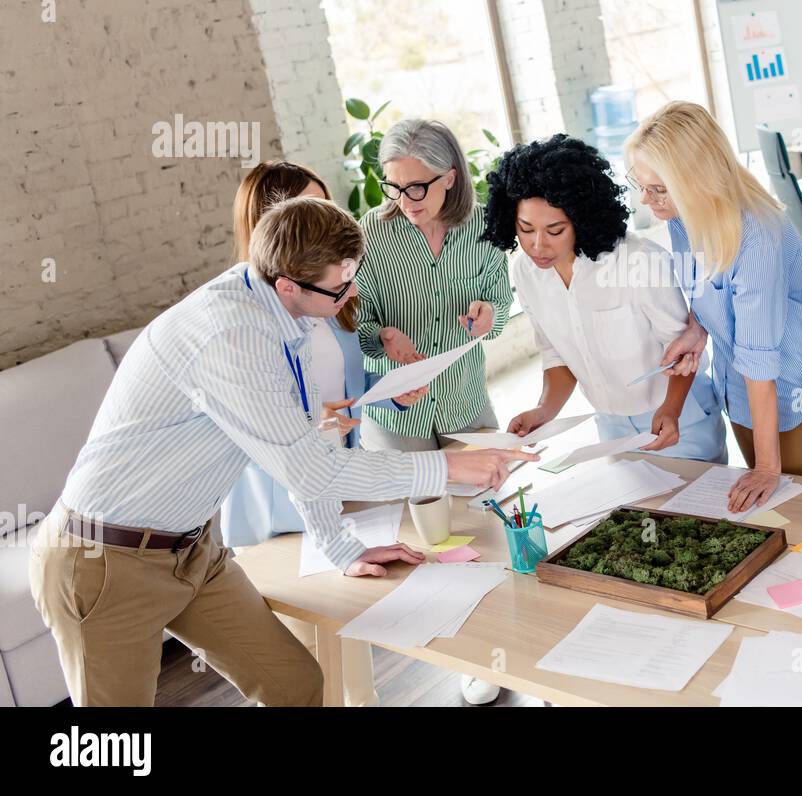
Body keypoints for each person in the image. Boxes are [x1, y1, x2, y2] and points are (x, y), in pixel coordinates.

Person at [29, 196, 532, 706]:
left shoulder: (280, 312)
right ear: (289, 285)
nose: (352, 293)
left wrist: (341, 547)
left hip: (193, 550)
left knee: (295, 686)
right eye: (340, 287)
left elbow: (307, 441)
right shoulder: (232, 336)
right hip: (104, 562)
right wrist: (445, 466)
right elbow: (314, 471)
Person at [220, 161, 427, 707]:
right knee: (307, 661)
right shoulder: (249, 321)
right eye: (303, 214)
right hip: (278, 509)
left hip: (336, 488)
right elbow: (265, 427)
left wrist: (390, 386)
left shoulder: (333, 296)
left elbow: (340, 388)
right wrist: (315, 426)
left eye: (325, 208)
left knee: (353, 643)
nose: (322, 223)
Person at [624, 101, 802, 512]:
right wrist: (697, 329)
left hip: (786, 384)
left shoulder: (757, 235)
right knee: (764, 508)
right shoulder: (681, 217)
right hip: (739, 383)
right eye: (639, 184)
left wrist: (768, 467)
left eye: (658, 189)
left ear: (695, 180)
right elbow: (706, 287)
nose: (646, 199)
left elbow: (760, 359)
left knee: (797, 509)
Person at [481, 133, 727, 462]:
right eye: (525, 229)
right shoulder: (527, 272)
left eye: (555, 231)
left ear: (580, 220)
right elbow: (557, 354)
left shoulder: (637, 260)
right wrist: (544, 409)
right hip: (611, 428)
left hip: (679, 418)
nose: (538, 245)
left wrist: (671, 409)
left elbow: (684, 352)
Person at [355, 119, 513, 453]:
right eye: (394, 188)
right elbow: (353, 320)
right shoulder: (371, 234)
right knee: (414, 506)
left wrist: (489, 316)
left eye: (416, 187)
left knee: (489, 497)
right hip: (398, 413)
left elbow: (499, 304)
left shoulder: (484, 228)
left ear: (450, 177)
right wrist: (382, 338)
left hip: (464, 401)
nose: (405, 200)